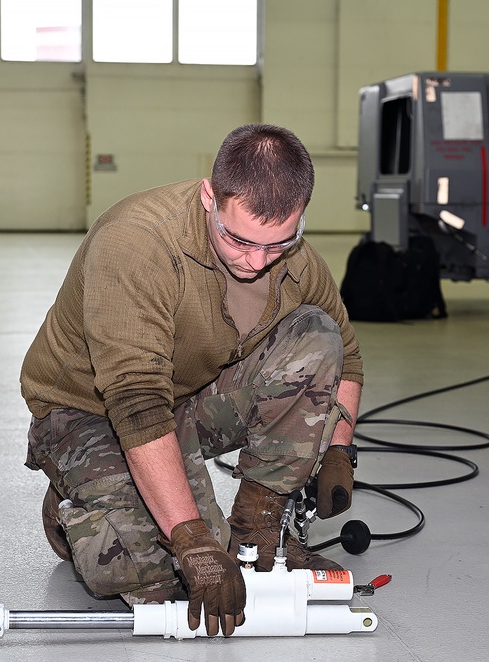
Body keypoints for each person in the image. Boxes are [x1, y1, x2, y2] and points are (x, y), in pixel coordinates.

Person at [20, 124, 363, 637]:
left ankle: (258, 527)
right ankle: (76, 505)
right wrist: (193, 543)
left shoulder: (293, 259)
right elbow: (135, 401)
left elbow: (348, 358)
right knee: (158, 573)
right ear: (210, 196)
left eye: (278, 243)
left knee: (317, 334)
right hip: (87, 414)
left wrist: (339, 450)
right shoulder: (136, 245)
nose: (256, 261)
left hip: (184, 402)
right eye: (239, 239)